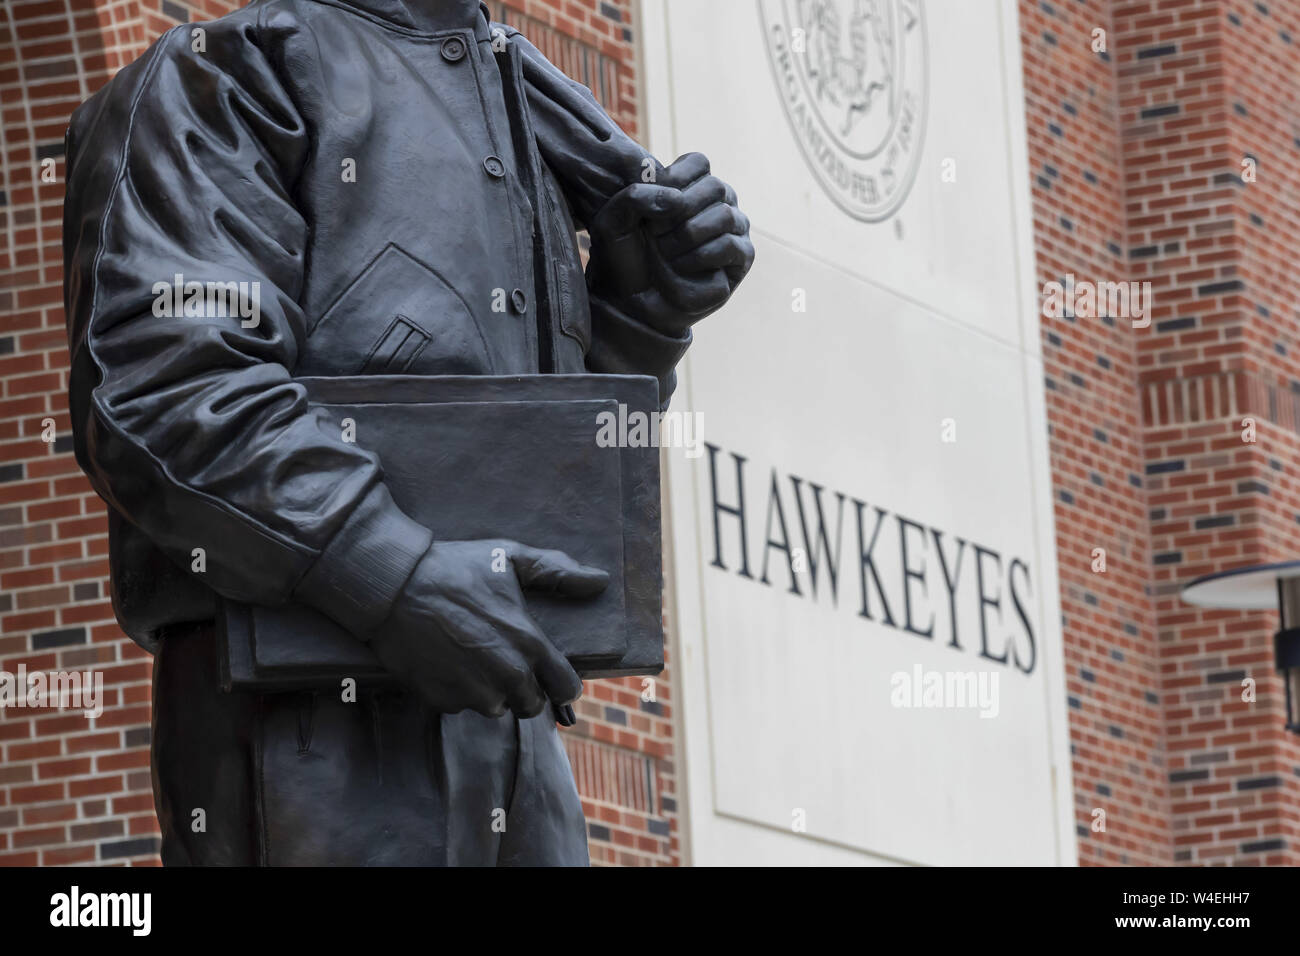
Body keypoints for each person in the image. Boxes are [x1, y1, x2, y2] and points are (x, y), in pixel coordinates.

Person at [61, 0, 752, 865]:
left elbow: (531, 464)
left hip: (516, 734)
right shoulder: (230, 71)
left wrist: (641, 313)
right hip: (305, 734)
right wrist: (392, 572)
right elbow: (167, 388)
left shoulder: (519, 107)